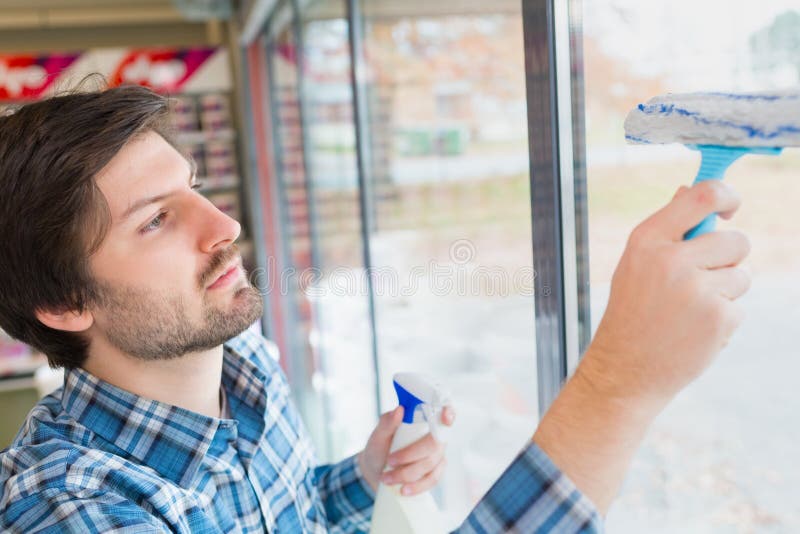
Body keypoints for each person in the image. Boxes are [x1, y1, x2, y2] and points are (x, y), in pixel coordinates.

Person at [0, 85, 750, 533]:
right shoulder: (73, 511)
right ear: (64, 304)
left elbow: (275, 513)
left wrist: (359, 477)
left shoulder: (238, 358)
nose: (223, 227)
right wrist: (618, 389)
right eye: (156, 220)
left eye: (194, 186)